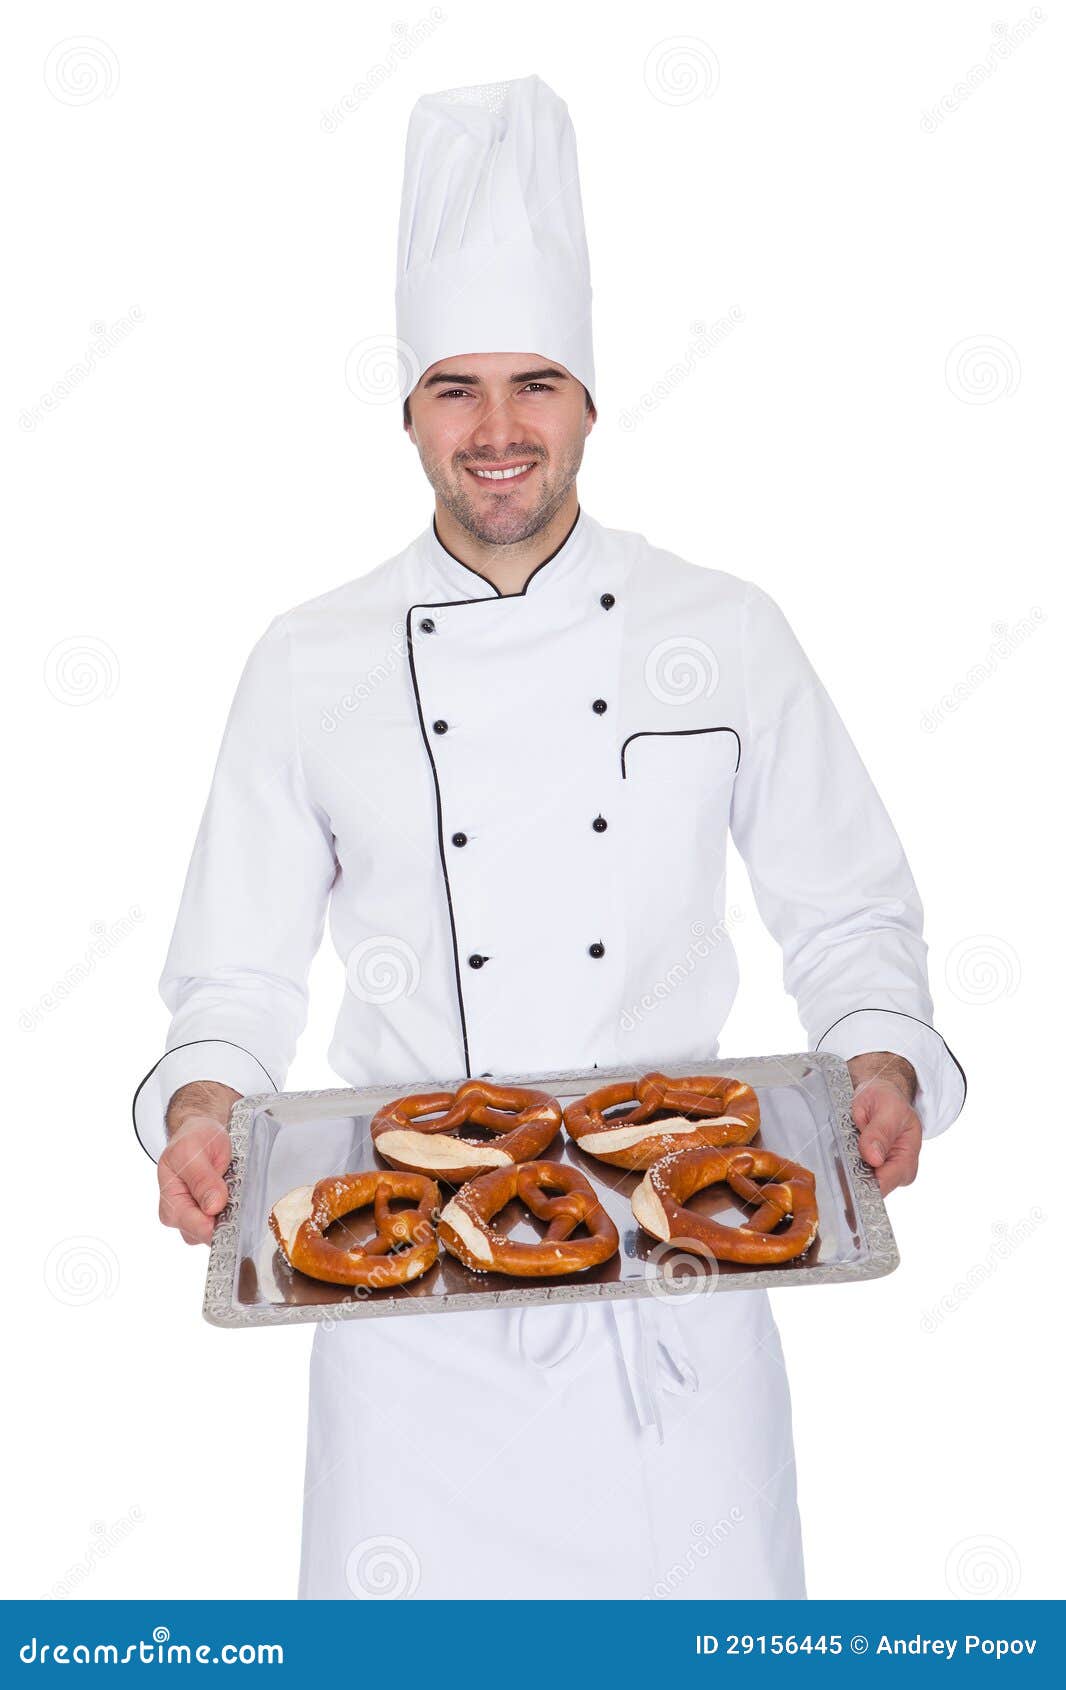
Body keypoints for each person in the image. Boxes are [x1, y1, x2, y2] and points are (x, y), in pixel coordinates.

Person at [134, 76, 964, 1600]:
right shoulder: (307, 659)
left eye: (536, 384)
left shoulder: (723, 628)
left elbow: (847, 914)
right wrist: (203, 1111)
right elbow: (232, 986)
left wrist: (879, 1056)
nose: (498, 431)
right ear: (405, 407)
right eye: (456, 386)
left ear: (589, 396)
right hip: (406, 1351)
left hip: (686, 1300)